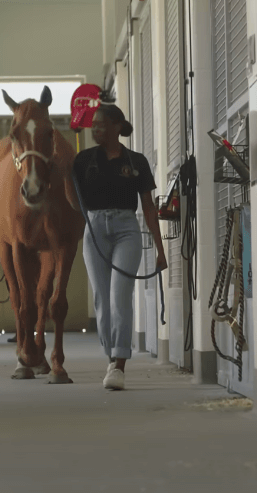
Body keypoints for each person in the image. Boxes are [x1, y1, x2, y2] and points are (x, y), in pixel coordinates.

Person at [72, 104, 168, 390]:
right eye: (93, 124)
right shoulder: (82, 160)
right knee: (102, 300)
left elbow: (149, 208)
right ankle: (111, 358)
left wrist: (161, 251)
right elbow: (70, 194)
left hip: (127, 228)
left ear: (116, 127)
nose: (95, 129)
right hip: (95, 229)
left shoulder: (136, 161)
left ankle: (119, 364)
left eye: (101, 124)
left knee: (119, 296)